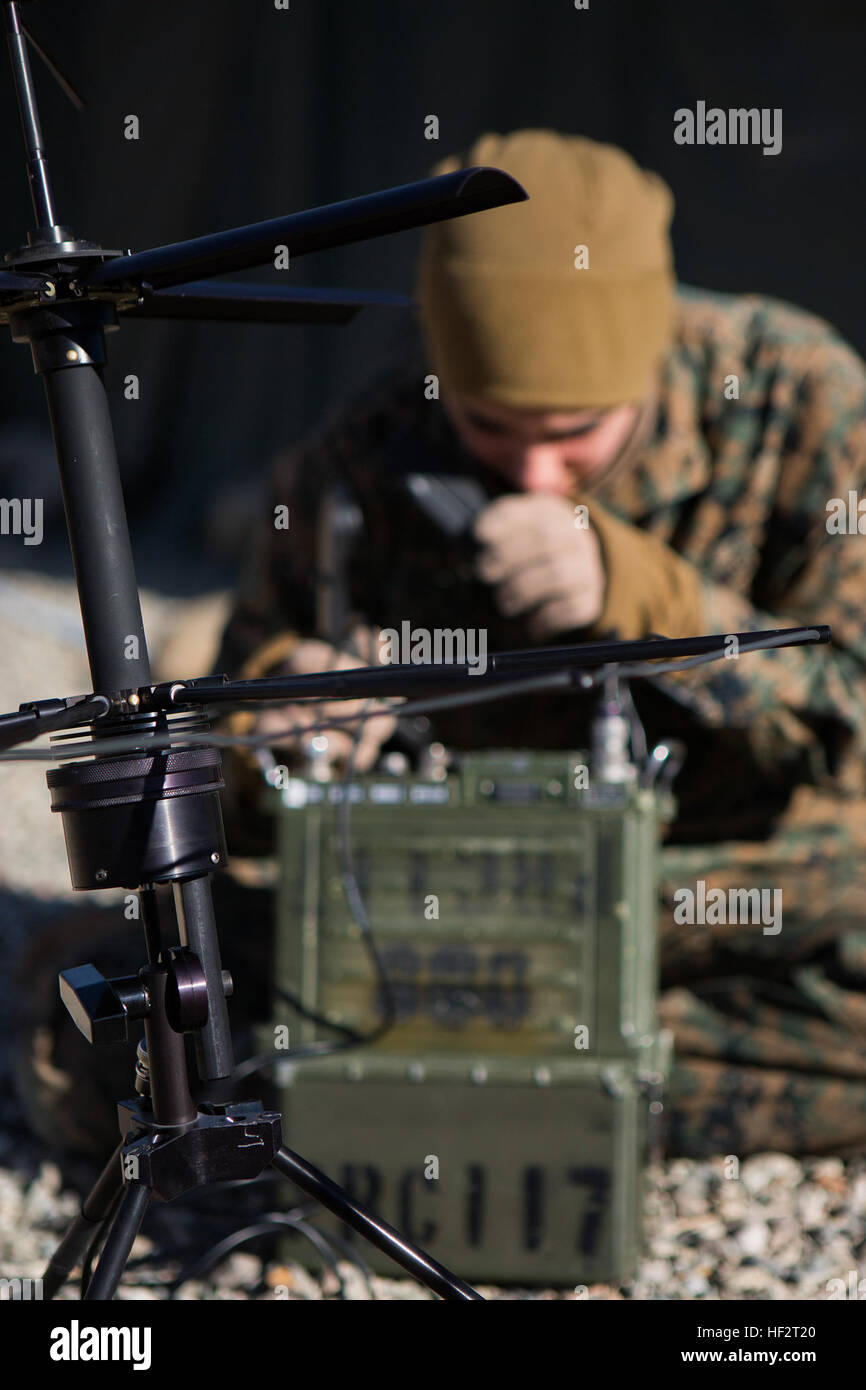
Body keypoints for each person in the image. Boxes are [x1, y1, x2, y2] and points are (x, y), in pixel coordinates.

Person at [216, 129, 866, 1158]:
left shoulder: (798, 403)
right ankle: (539, 1093)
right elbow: (217, 786)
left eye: (574, 433)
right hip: (449, 921)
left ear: (644, 378)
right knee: (123, 1020)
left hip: (707, 903)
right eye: (488, 428)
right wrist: (277, 718)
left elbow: (845, 719)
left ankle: (425, 1095)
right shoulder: (364, 458)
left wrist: (647, 594)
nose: (532, 477)